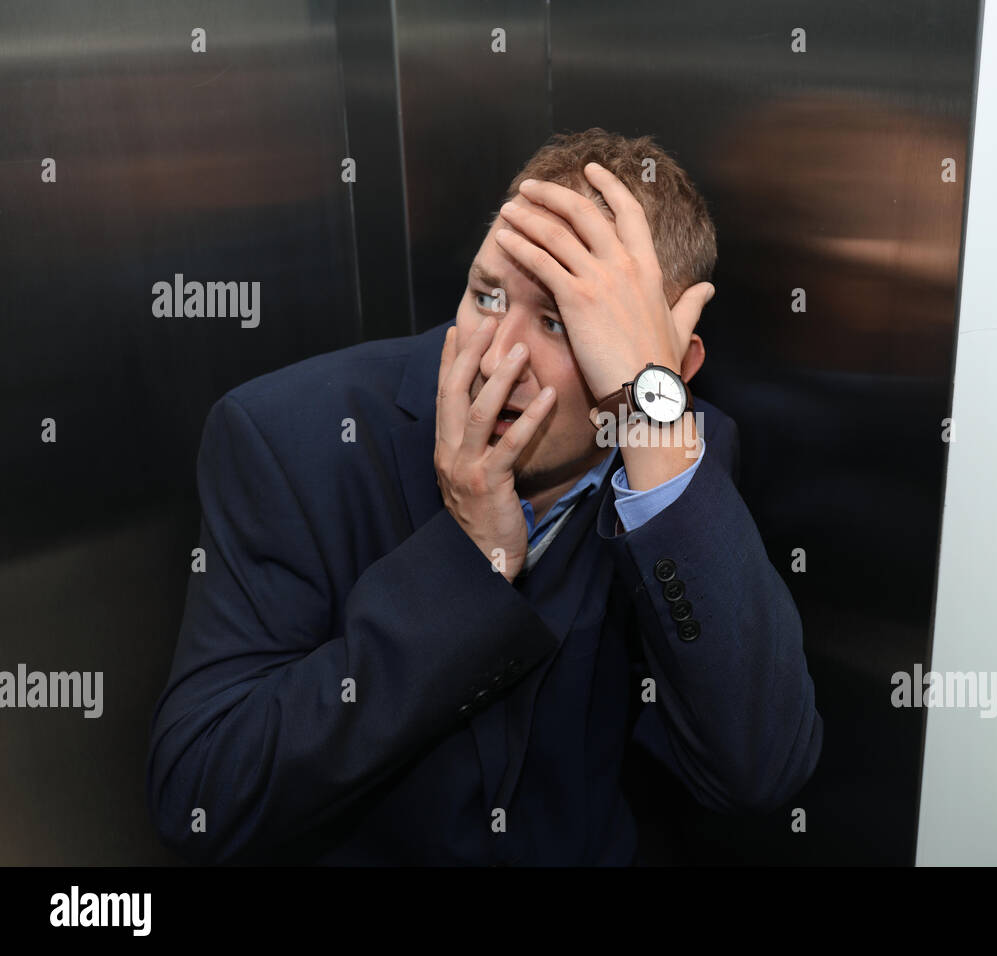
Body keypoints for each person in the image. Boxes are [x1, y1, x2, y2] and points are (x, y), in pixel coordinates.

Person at [145, 127, 823, 865]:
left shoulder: (677, 456)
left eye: (564, 323)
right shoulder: (292, 437)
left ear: (665, 367)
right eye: (486, 295)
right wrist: (467, 563)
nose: (498, 357)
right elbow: (200, 791)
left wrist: (652, 436)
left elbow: (759, 771)